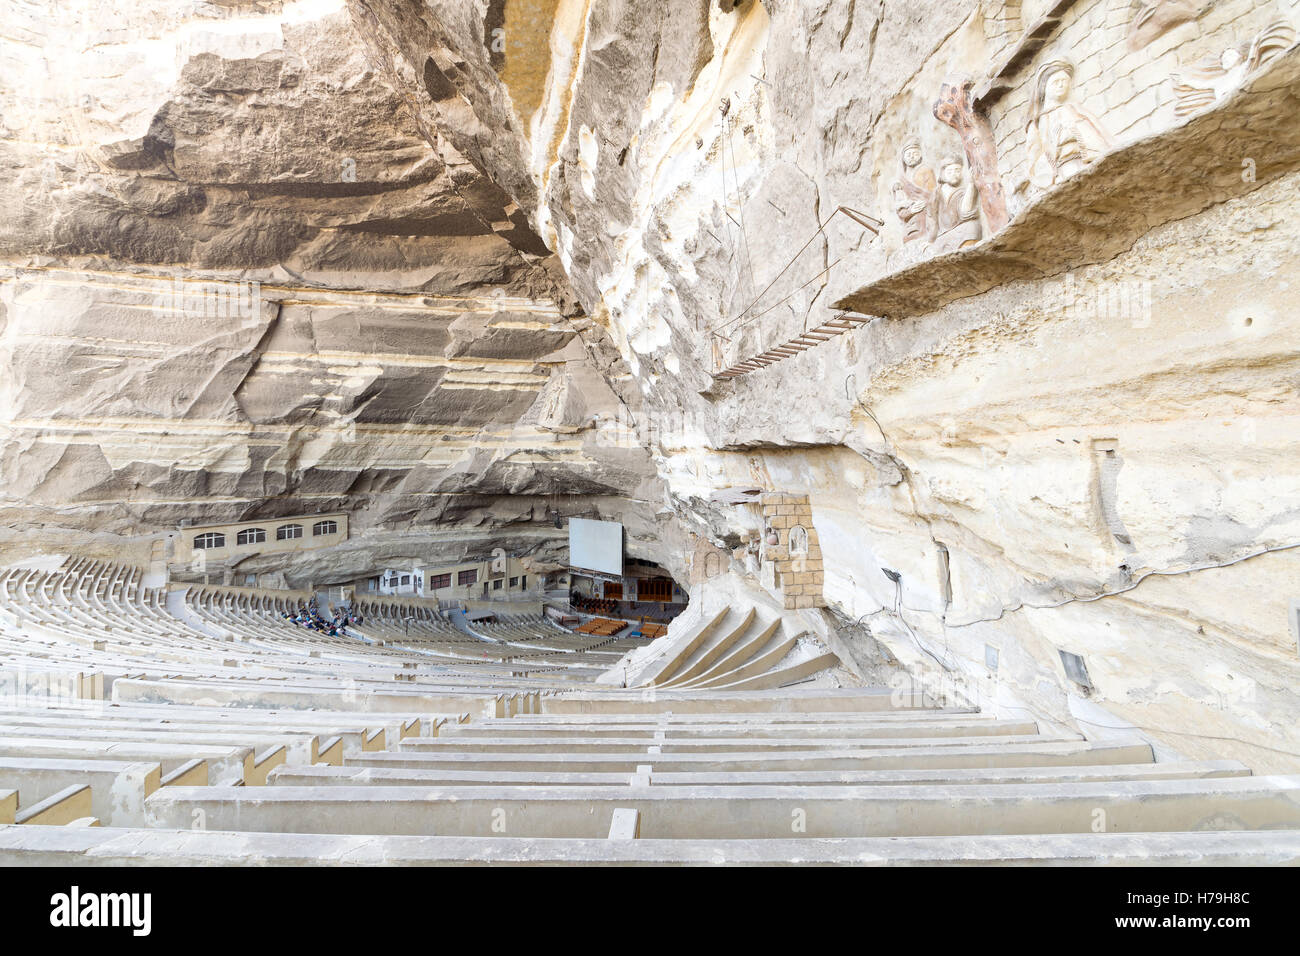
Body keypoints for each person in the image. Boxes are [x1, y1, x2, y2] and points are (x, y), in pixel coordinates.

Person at [1025, 60, 1113, 192]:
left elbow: (1096, 137)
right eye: (1056, 82)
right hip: (1061, 171)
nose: (1061, 86)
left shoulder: (1075, 110)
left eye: (1064, 81)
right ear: (1044, 87)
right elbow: (1034, 157)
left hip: (1085, 164)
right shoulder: (1038, 123)